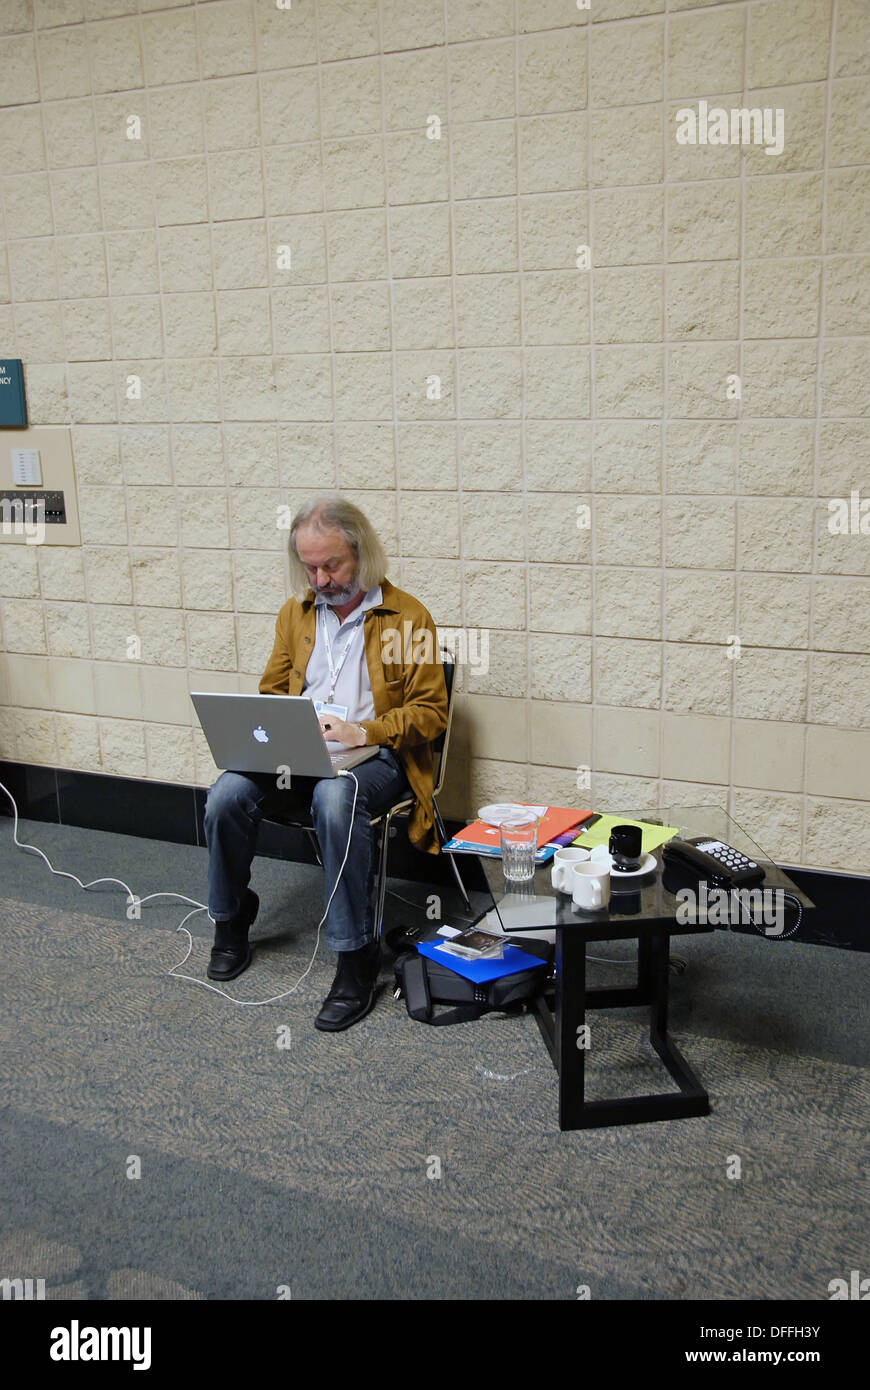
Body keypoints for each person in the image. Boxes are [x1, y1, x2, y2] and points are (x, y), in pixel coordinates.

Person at [203, 495, 448, 1031]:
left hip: (376, 756)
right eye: (309, 566)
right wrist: (283, 729)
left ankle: (355, 956)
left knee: (336, 797)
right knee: (225, 794)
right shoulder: (295, 614)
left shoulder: (408, 616)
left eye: (331, 564)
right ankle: (230, 917)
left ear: (361, 554)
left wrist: (365, 730)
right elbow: (272, 691)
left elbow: (432, 714)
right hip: (302, 754)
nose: (319, 577)